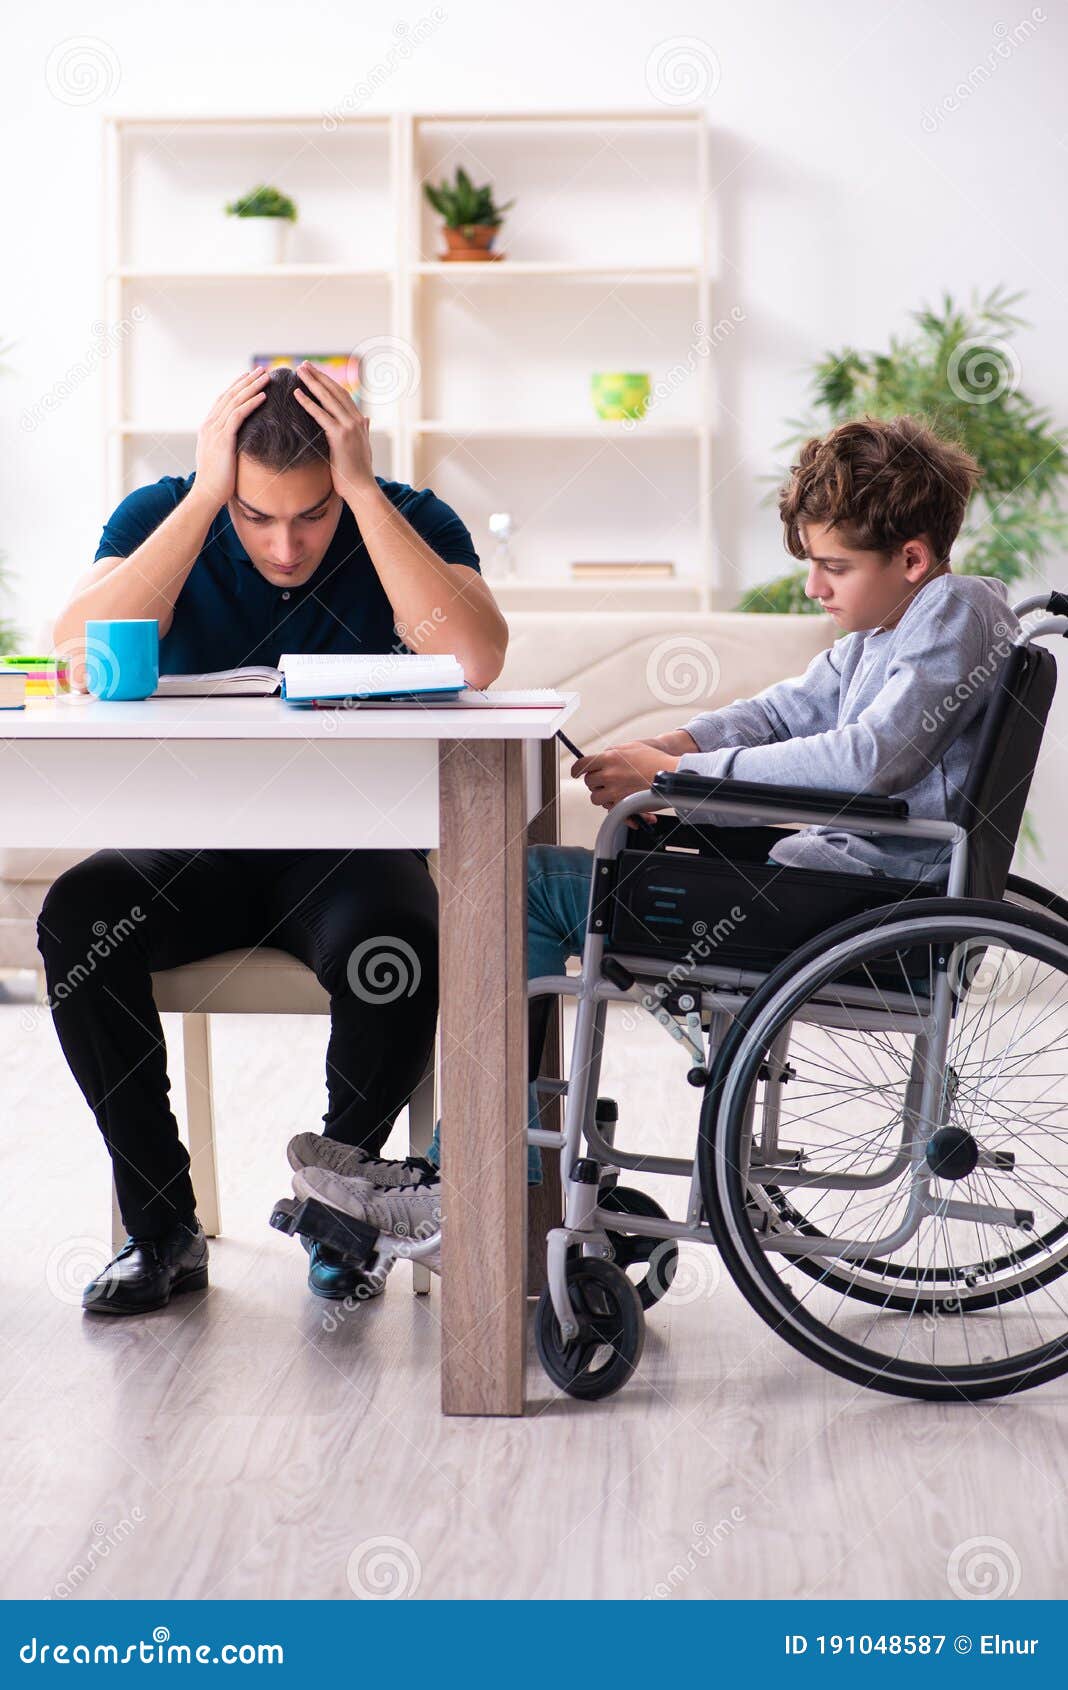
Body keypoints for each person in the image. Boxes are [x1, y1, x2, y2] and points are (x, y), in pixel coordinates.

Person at [295, 413, 1017, 1257]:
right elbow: (787, 710)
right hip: (835, 890)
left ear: (914, 559)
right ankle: (485, 1176)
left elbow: (871, 758)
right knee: (558, 874)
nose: (815, 588)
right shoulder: (891, 628)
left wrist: (672, 779)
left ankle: (477, 1188)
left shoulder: (953, 609)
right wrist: (676, 745)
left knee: (520, 887)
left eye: (833, 567)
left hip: (856, 914)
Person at [38, 364, 507, 1314]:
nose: (284, 545)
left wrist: (367, 496)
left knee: (399, 946)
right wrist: (208, 496)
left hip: (350, 855)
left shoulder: (407, 517)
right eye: (257, 518)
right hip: (189, 848)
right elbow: (75, 654)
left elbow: (475, 659)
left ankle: (347, 1213)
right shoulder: (164, 513)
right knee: (78, 918)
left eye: (312, 515)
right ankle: (161, 1230)